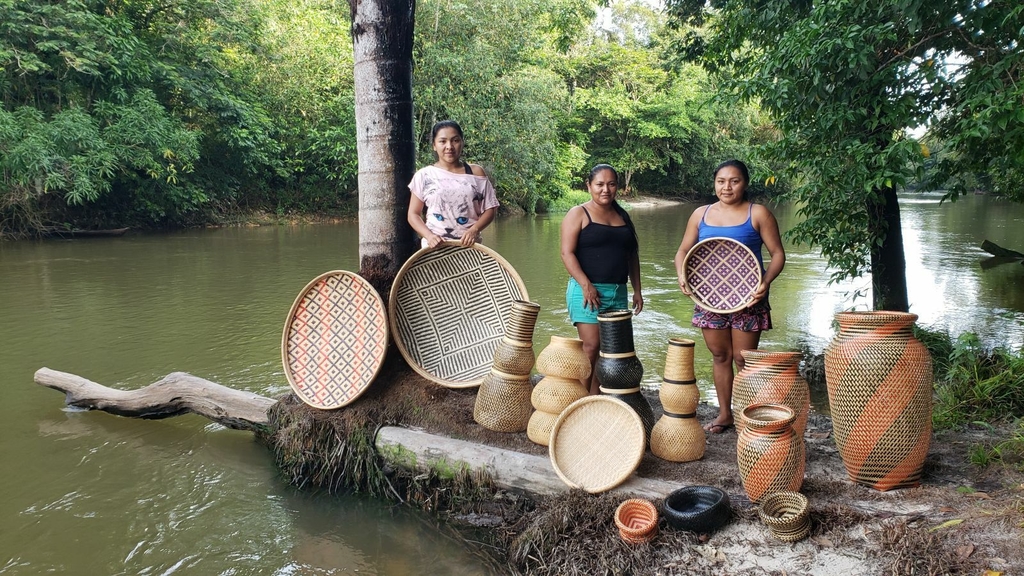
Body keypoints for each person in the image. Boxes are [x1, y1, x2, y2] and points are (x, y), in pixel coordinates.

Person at [673, 159, 785, 434]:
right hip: (708, 297)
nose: (727, 187)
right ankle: (725, 415)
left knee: (743, 359)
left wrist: (766, 282)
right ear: (714, 184)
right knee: (720, 355)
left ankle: (749, 416)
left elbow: (778, 254)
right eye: (721, 181)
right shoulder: (701, 214)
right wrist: (682, 275)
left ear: (745, 183)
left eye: (734, 181)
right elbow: (682, 252)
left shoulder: (758, 213)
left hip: (749, 297)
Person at [560, 164, 643, 395]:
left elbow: (631, 255)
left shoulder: (622, 216)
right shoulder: (578, 213)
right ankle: (579, 400)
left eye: (611, 184)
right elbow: (567, 253)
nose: (605, 189)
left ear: (618, 186)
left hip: (617, 294)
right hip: (586, 291)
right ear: (589, 186)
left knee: (609, 351)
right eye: (599, 184)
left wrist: (637, 290)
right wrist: (586, 286)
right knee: (591, 347)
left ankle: (594, 398)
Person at [407, 120, 499, 248]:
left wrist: (475, 229)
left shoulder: (476, 173)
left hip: (470, 248)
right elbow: (413, 214)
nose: (449, 146)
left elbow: (490, 209)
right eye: (442, 141)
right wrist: (429, 236)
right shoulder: (424, 175)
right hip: (434, 249)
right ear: (434, 145)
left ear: (462, 142)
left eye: (455, 140)